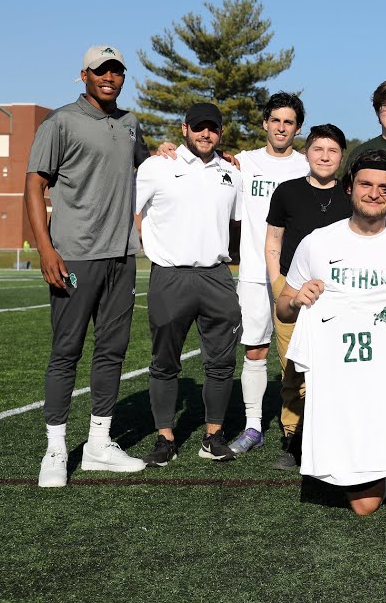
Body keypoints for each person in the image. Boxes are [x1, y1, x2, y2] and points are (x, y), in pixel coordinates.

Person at [274, 148, 386, 516]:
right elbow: (282, 310)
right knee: (359, 501)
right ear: (349, 187)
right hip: (336, 386)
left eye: (385, 188)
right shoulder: (317, 243)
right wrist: (297, 300)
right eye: (366, 184)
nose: (374, 193)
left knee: (365, 506)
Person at [25, 44, 149, 488]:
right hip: (75, 255)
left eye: (116, 71)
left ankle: (99, 445)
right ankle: (56, 449)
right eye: (100, 71)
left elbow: (150, 171)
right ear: (84, 75)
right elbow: (34, 185)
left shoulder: (131, 123)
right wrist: (46, 249)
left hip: (121, 256)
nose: (109, 78)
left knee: (112, 351)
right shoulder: (60, 122)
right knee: (66, 352)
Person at [134, 103, 245, 467]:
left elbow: (236, 220)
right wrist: (143, 241)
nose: (205, 134)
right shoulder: (157, 166)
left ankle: (213, 436)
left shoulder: (231, 172)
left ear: (220, 133)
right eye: (198, 127)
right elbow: (130, 209)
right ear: (184, 129)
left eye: (212, 128)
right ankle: (165, 438)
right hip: (170, 275)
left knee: (222, 361)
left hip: (217, 275)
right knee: (165, 362)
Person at [222, 92, 312, 456]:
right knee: (255, 349)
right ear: (264, 123)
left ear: (298, 129)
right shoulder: (243, 163)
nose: (281, 127)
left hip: (297, 276)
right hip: (254, 272)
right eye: (275, 120)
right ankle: (254, 426)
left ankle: (304, 425)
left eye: (289, 122)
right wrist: (168, 150)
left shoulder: (308, 165)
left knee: (302, 351)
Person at [263, 124, 353, 469]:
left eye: (332, 150)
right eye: (318, 149)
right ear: (306, 153)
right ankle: (293, 436)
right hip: (293, 290)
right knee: (292, 369)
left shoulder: (352, 193)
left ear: (341, 156)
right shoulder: (287, 192)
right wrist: (278, 282)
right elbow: (274, 240)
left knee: (334, 366)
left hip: (338, 293)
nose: (325, 156)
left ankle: (332, 434)